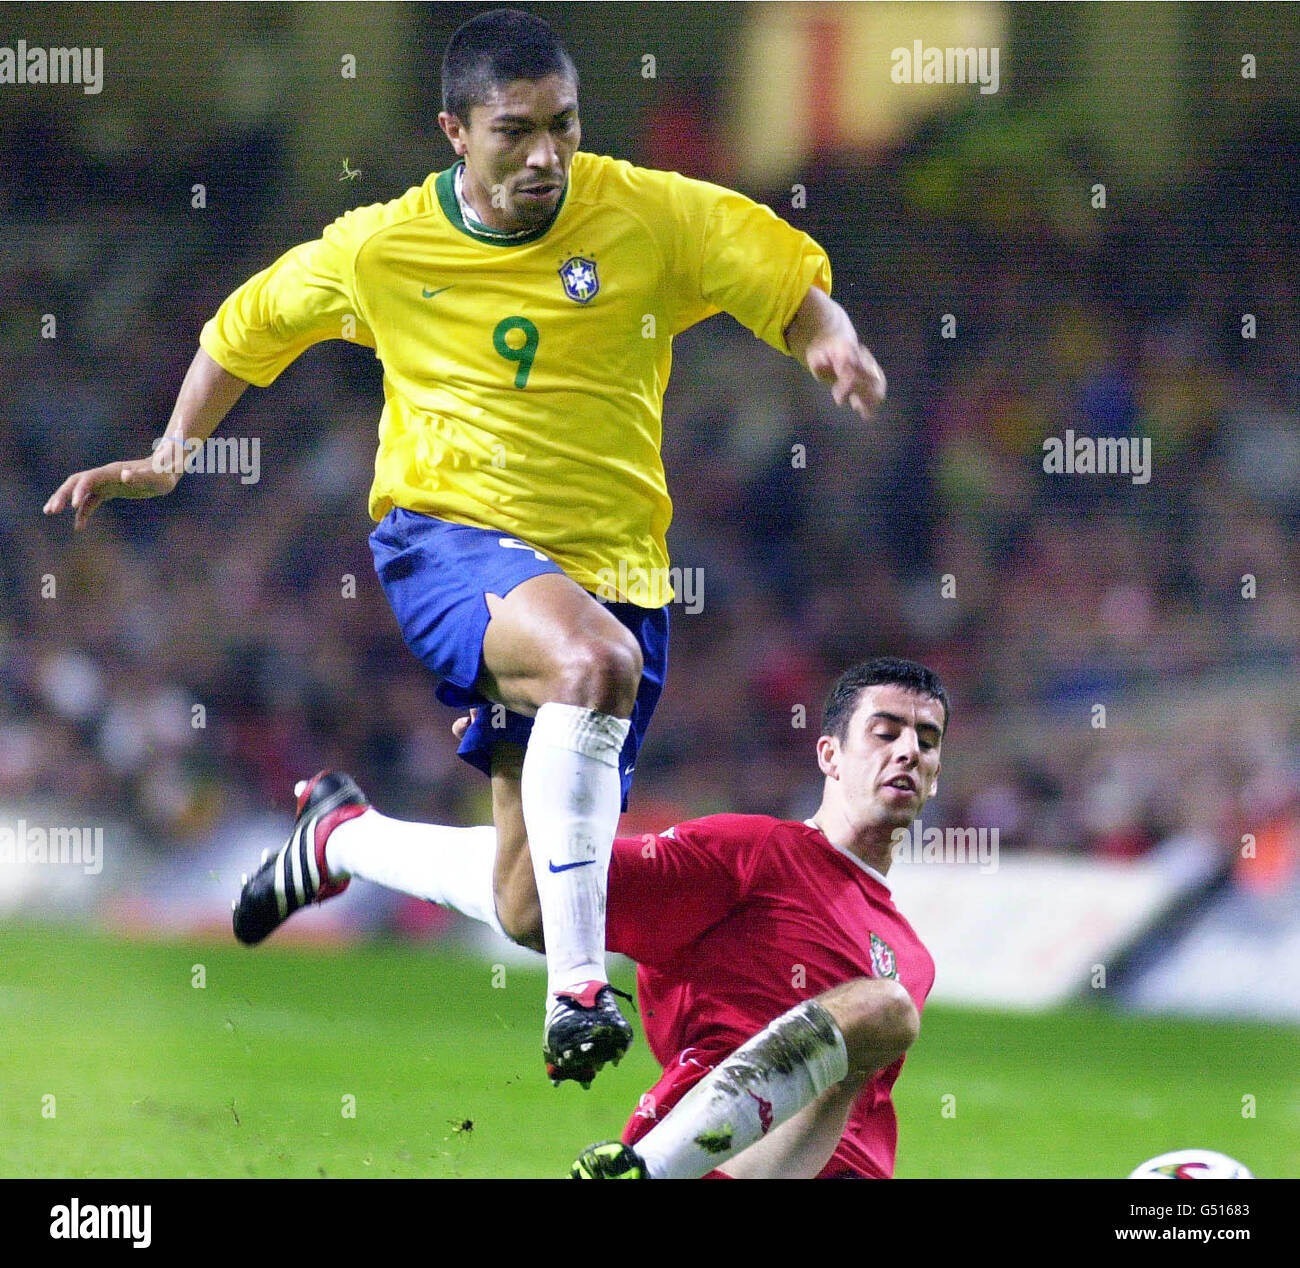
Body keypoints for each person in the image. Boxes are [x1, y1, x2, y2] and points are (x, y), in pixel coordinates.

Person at [41, 8, 887, 1088]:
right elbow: (244, 331)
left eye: (563, 125)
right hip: (447, 542)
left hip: (615, 572)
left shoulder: (647, 212)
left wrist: (828, 338)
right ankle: (579, 994)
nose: (546, 155)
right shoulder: (383, 246)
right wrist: (170, 455)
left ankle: (341, 839)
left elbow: (774, 279)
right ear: (455, 132)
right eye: (514, 131)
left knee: (528, 903)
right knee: (592, 665)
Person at [230, 656, 945, 1179]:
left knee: (884, 1012)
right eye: (885, 732)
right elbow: (548, 890)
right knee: (882, 1010)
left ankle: (340, 834)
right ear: (829, 755)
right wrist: (522, 759)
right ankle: (644, 1173)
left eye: (927, 739)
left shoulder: (912, 957)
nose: (909, 750)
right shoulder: (753, 855)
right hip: (714, 1163)